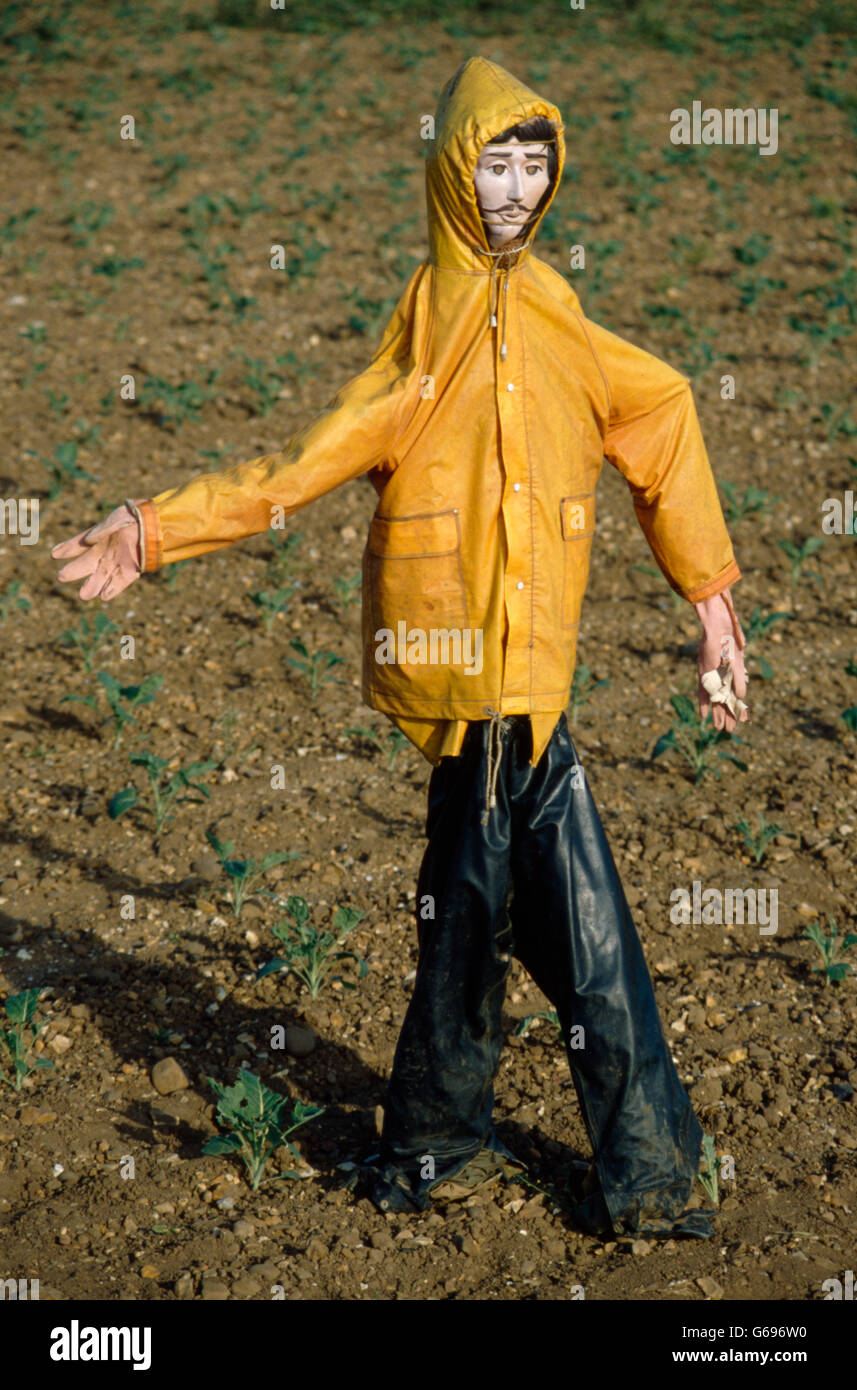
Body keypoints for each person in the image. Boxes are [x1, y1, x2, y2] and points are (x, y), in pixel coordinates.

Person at [52, 56, 749, 1240]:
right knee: (509, 921)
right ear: (452, 170)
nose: (518, 186)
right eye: (496, 159)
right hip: (467, 686)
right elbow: (305, 465)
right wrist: (157, 525)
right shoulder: (424, 330)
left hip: (522, 692)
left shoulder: (559, 321)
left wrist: (711, 601)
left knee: (514, 924)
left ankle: (512, 1157)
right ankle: (563, 1162)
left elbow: (664, 411)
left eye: (536, 162)